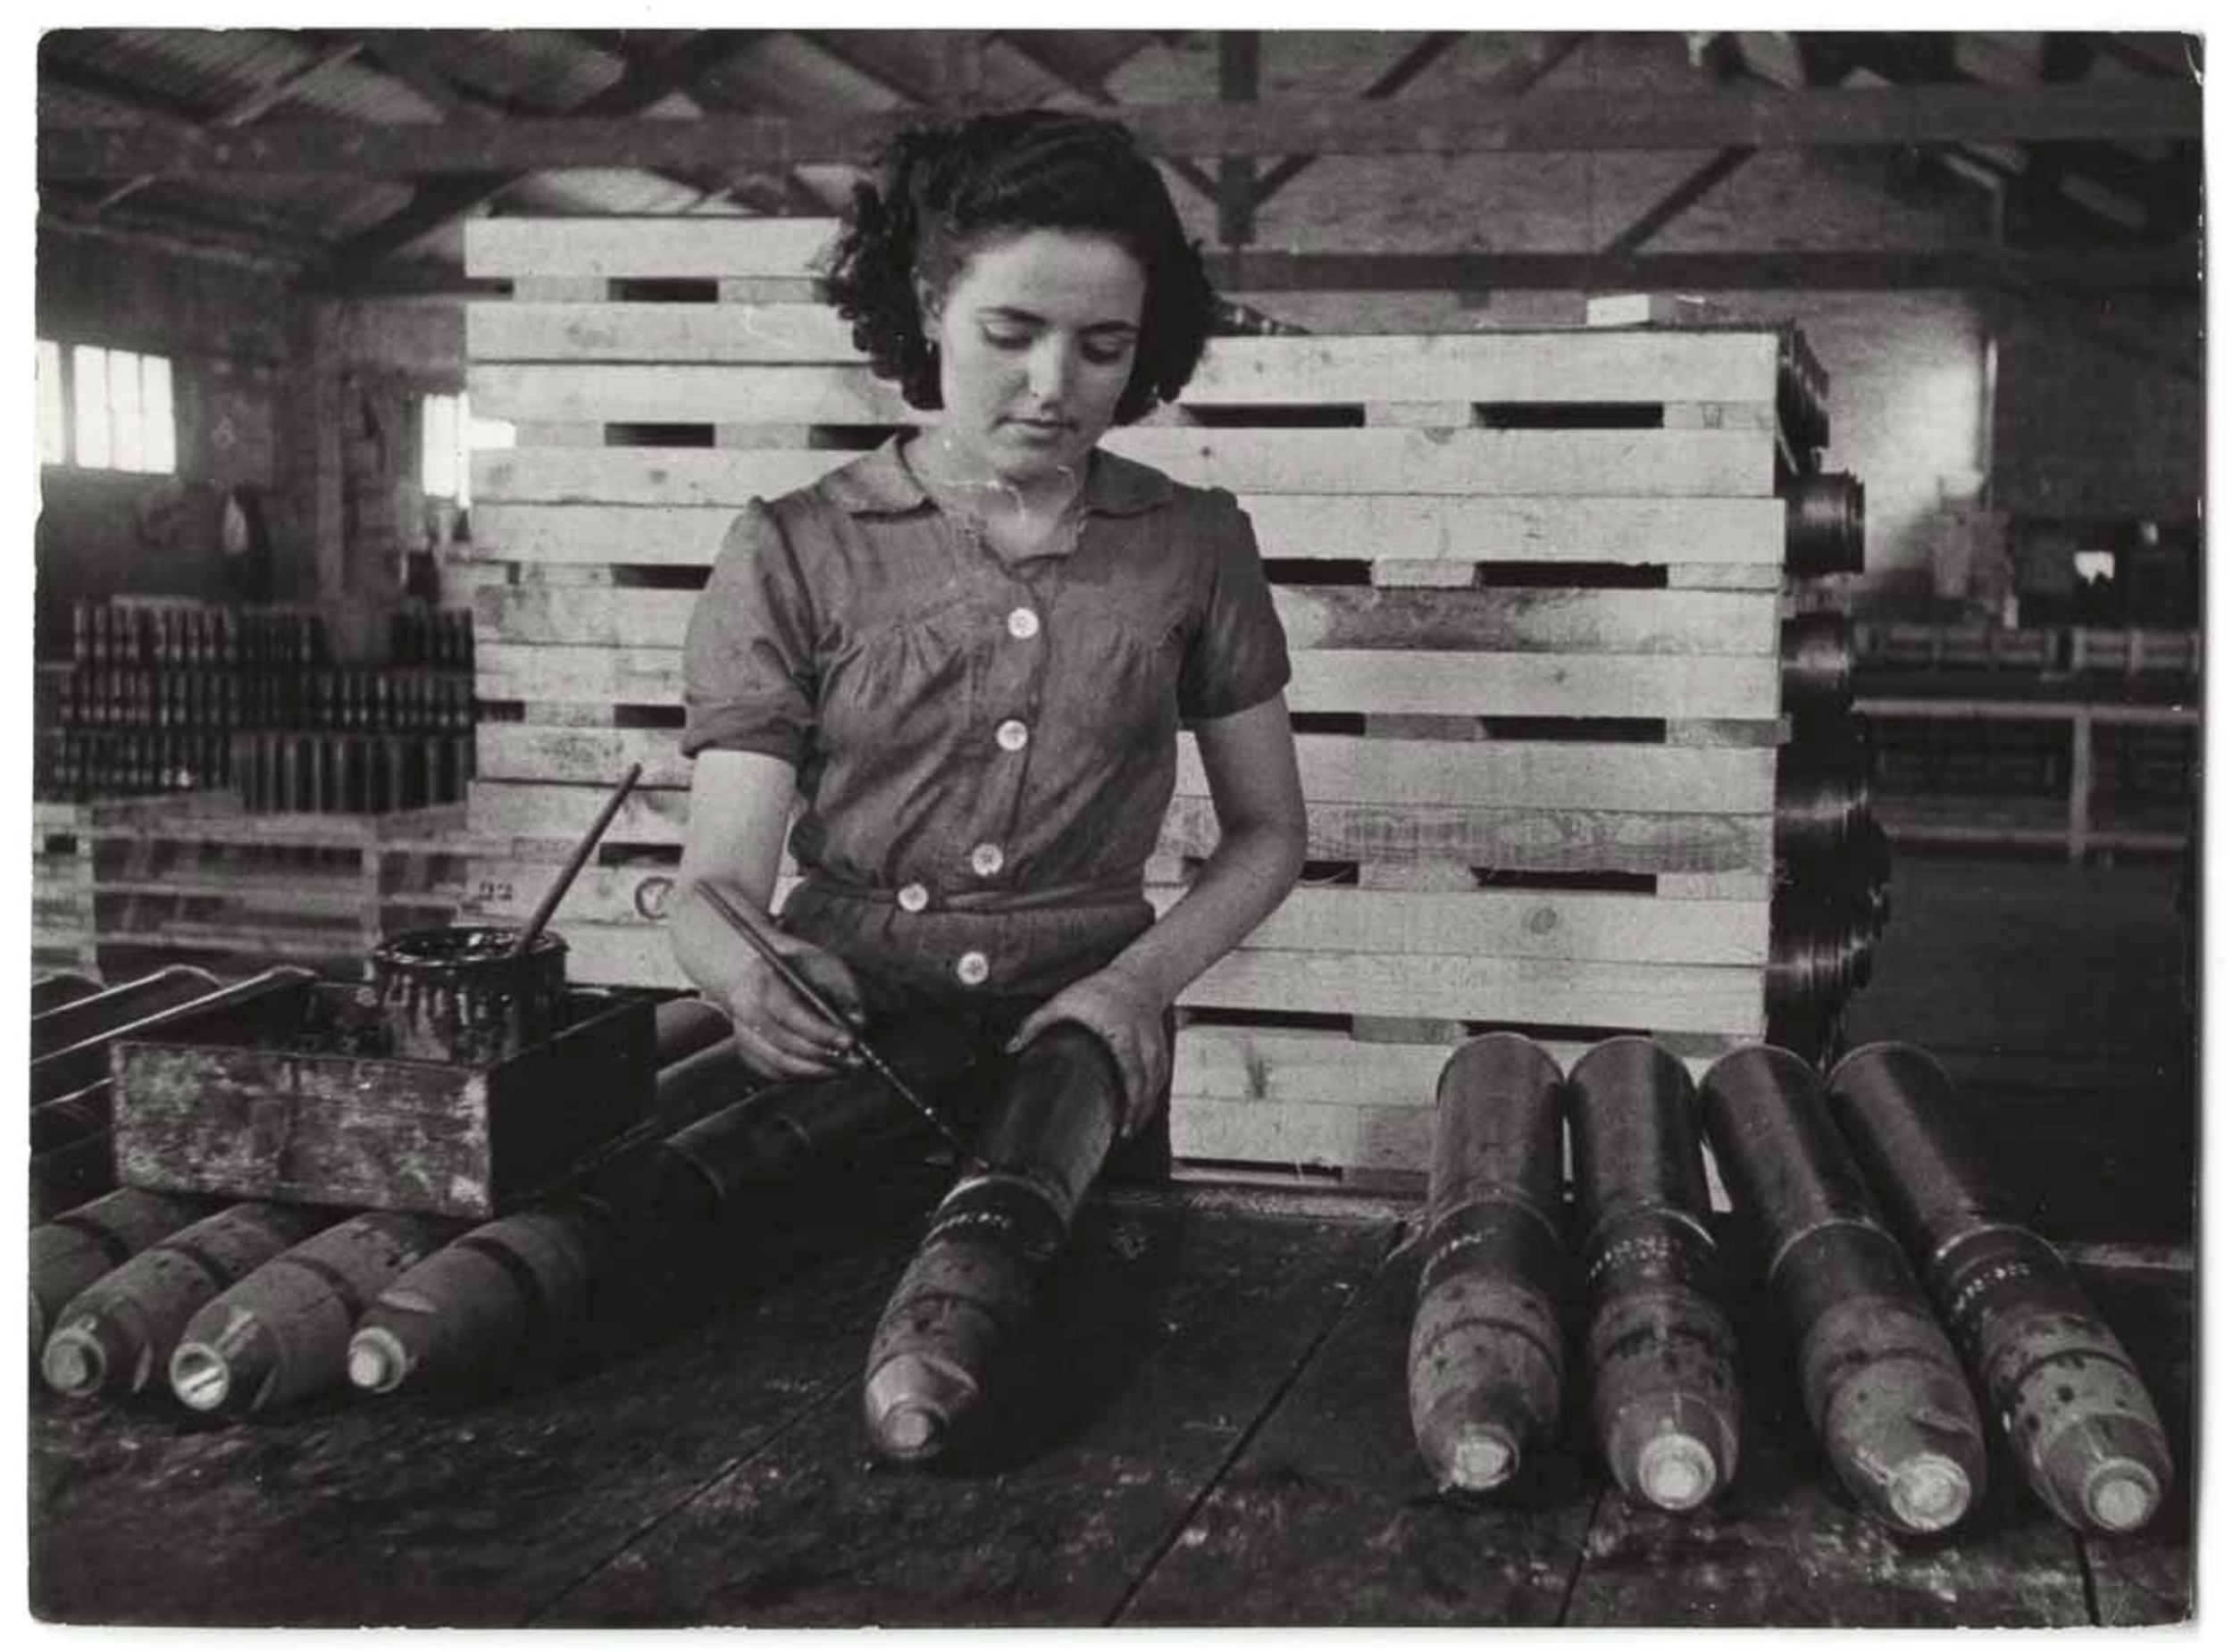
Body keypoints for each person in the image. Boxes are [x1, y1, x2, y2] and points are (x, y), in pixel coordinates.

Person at [668, 106, 1306, 1185]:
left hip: (1084, 1068)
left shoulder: (1194, 544)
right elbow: (712, 887)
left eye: (1102, 346)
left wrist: (1134, 985)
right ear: (928, 305)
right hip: (845, 1069)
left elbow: (1269, 831)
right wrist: (748, 974)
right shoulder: (793, 548)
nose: (1055, 385)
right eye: (1010, 334)